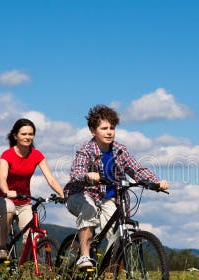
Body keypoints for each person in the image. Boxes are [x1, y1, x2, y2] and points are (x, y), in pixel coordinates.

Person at [64, 105, 169, 271]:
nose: (109, 132)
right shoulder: (86, 150)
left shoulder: (120, 150)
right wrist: (87, 176)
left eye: (112, 128)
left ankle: (108, 271)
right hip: (81, 195)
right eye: (104, 128)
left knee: (119, 232)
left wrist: (155, 182)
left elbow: (137, 169)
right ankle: (84, 256)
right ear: (93, 131)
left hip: (109, 198)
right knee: (89, 210)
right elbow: (76, 172)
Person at [0, 118, 65, 260]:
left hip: (24, 202)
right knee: (9, 209)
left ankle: (30, 267)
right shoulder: (7, 155)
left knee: (33, 237)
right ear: (15, 136)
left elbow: (51, 178)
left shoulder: (36, 155)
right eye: (24, 134)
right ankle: (2, 248)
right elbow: (1, 179)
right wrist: (7, 192)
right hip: (2, 199)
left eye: (31, 134)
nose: (28, 137)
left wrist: (62, 194)